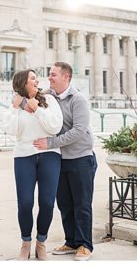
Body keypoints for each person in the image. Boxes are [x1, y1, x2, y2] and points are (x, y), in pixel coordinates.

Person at [33, 62, 96, 261]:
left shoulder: (78, 100)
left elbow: (78, 131)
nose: (50, 77)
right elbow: (27, 95)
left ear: (66, 77)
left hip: (81, 158)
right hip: (61, 159)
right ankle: (71, 242)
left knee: (82, 204)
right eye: (50, 74)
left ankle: (85, 245)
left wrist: (50, 143)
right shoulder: (49, 95)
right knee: (65, 204)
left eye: (53, 74)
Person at [3, 69, 63, 260]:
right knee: (25, 203)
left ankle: (41, 243)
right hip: (23, 156)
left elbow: (55, 127)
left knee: (47, 202)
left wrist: (37, 109)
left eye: (37, 78)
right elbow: (11, 130)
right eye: (32, 78)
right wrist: (15, 108)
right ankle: (26, 243)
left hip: (49, 155)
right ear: (23, 83)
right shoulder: (15, 105)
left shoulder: (49, 101)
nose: (37, 81)